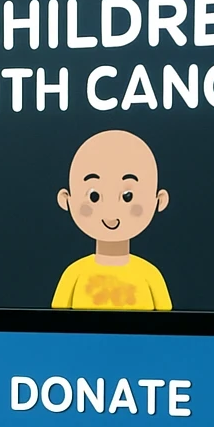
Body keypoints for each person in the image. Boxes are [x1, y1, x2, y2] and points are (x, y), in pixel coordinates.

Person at [52, 130, 172, 309]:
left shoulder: (150, 275)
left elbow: (169, 327)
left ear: (158, 201)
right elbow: (53, 325)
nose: (110, 212)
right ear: (66, 199)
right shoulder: (74, 274)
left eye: (128, 196)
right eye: (94, 196)